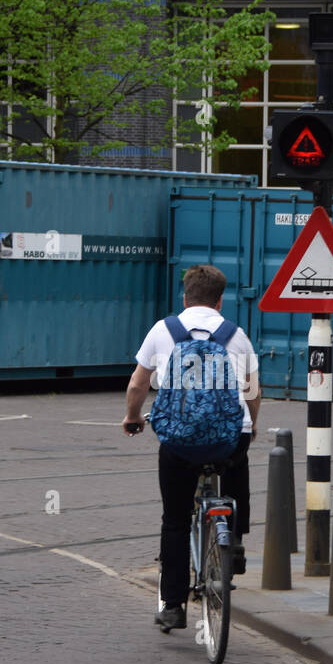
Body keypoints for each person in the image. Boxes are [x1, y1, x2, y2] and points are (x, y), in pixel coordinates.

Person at [123, 264, 260, 631]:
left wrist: (132, 416)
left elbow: (138, 385)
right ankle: (236, 542)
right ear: (220, 301)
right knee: (237, 462)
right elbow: (252, 390)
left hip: (180, 442)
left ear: (184, 298)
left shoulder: (163, 330)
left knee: (175, 519)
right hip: (227, 439)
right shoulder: (236, 335)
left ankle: (173, 605)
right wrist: (251, 424)